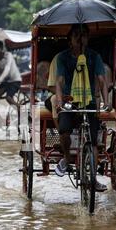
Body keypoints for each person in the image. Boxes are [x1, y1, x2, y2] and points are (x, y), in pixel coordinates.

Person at [47, 24, 110, 191]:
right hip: (70, 101)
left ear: (87, 39)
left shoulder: (93, 57)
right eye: (76, 35)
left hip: (89, 102)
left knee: (94, 142)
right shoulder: (63, 58)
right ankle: (67, 158)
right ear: (70, 39)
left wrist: (106, 101)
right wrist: (60, 102)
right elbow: (59, 82)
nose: (80, 39)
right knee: (64, 131)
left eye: (83, 35)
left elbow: (102, 80)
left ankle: (94, 178)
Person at [0, 40, 22, 107]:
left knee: (8, 98)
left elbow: (7, 69)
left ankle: (20, 109)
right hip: (5, 82)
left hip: (15, 80)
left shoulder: (8, 55)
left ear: (2, 49)